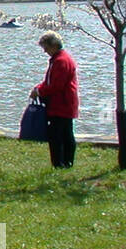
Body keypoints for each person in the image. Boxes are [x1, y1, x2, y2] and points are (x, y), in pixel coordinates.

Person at [30, 31, 79, 168]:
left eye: (46, 48)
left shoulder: (61, 61)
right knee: (65, 133)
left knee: (58, 135)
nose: (45, 51)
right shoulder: (61, 59)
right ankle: (66, 162)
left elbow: (56, 86)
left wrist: (39, 92)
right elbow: (49, 82)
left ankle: (60, 163)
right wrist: (38, 88)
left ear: (53, 45)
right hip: (64, 103)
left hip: (61, 104)